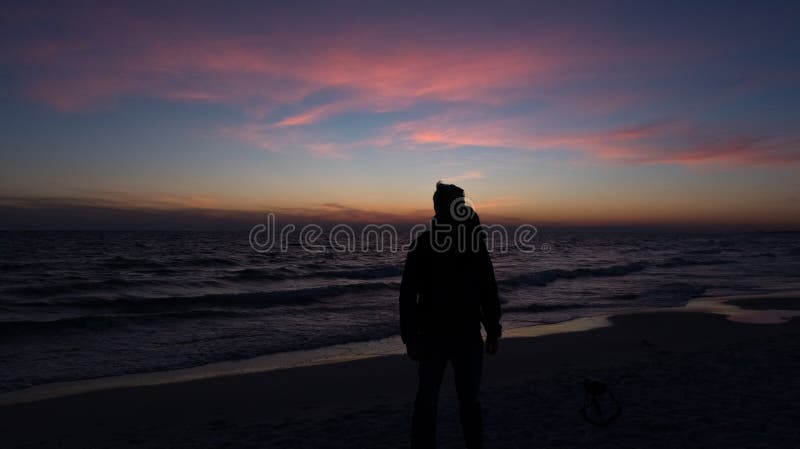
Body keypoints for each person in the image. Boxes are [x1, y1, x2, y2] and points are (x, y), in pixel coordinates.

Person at [400, 182, 502, 449]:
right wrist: (410, 336)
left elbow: (487, 287)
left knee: (462, 399)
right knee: (430, 400)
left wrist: (492, 328)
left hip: (465, 333)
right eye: (458, 202)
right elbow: (408, 293)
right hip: (436, 335)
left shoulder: (472, 241)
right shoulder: (427, 243)